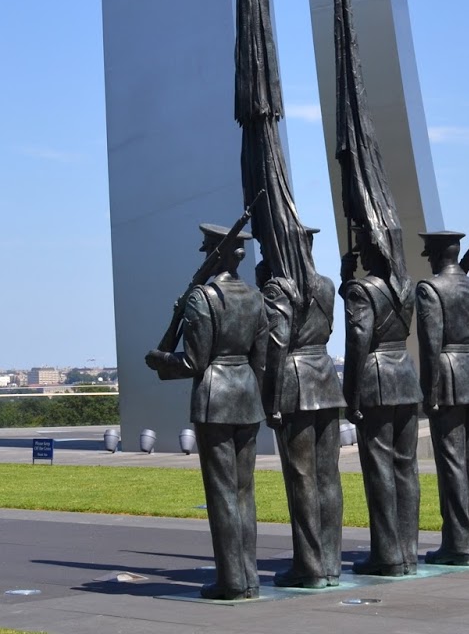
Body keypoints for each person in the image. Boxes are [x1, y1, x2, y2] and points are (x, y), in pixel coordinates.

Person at [146, 224, 267, 601]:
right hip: (247, 398)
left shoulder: (203, 297)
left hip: (215, 399)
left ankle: (231, 580)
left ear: (215, 253)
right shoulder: (255, 296)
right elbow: (260, 360)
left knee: (222, 494)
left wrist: (161, 359)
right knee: (244, 493)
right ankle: (247, 577)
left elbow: (195, 361)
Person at [260, 228, 344, 588]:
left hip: (295, 383)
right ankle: (330, 563)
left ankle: (309, 566)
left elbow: (277, 345)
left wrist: (271, 398)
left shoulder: (278, 289)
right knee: (328, 476)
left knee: (302, 478)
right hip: (325, 380)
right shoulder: (326, 285)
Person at [341, 230, 421, 575]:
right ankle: (408, 551)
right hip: (405, 377)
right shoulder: (408, 287)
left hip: (376, 378)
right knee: (406, 468)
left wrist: (351, 392)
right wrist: (347, 279)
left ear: (372, 255)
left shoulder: (362, 291)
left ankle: (386, 555)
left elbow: (359, 339)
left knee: (379, 470)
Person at [415, 230, 469, 565]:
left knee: (452, 463)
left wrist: (428, 391)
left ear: (434, 255)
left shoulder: (430, 289)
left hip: (448, 378)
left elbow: (430, 346)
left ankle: (458, 544)